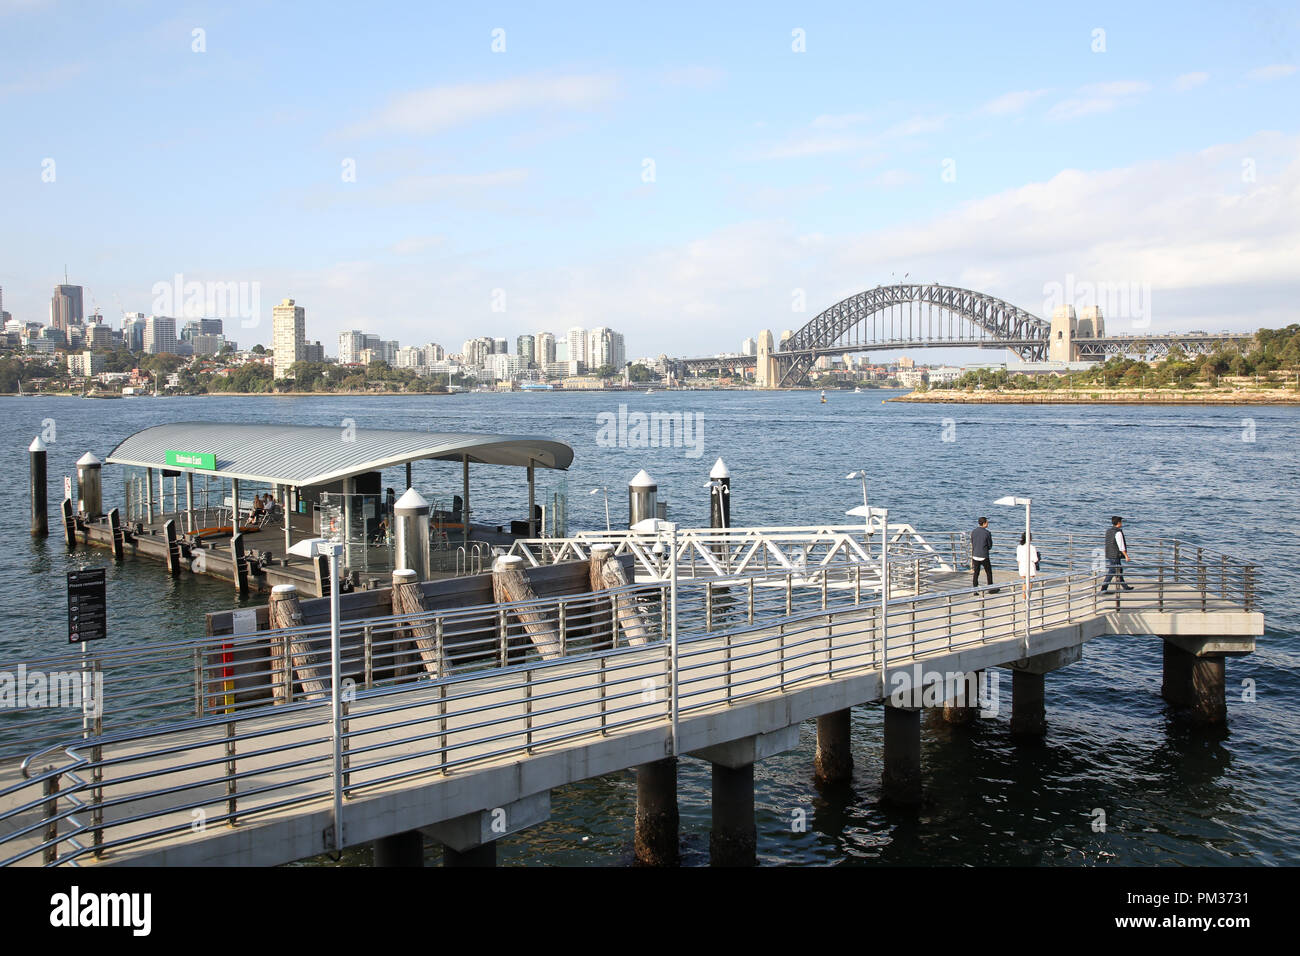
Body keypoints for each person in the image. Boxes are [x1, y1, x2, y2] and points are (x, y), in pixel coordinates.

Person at [1100, 515, 1134, 591]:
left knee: (1118, 570)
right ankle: (1104, 588)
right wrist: (1126, 556)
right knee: (1113, 571)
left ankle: (1125, 587)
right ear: (1118, 522)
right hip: (1115, 554)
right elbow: (1121, 545)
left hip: (1109, 553)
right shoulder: (1118, 532)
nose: (1122, 523)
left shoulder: (1109, 531)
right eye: (1121, 522)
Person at [970, 517, 999, 592]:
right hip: (984, 555)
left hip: (975, 554)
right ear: (984, 523)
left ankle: (975, 589)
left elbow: (972, 542)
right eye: (987, 522)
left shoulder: (973, 531)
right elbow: (990, 545)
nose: (988, 524)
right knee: (988, 572)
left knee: (976, 573)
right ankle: (990, 588)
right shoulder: (987, 533)